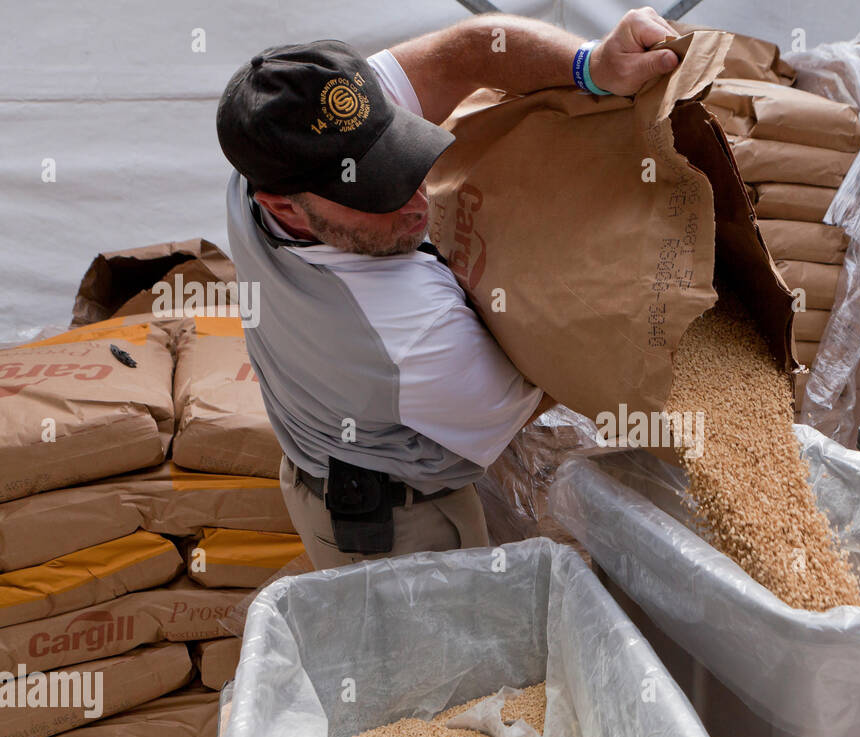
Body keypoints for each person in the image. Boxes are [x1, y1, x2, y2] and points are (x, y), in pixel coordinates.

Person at [215, 10, 680, 570]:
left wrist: (592, 65)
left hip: (336, 447)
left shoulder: (272, 154)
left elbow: (472, 49)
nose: (419, 201)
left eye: (405, 161)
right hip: (396, 524)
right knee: (453, 656)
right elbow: (559, 367)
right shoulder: (406, 339)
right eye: (378, 192)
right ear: (283, 206)